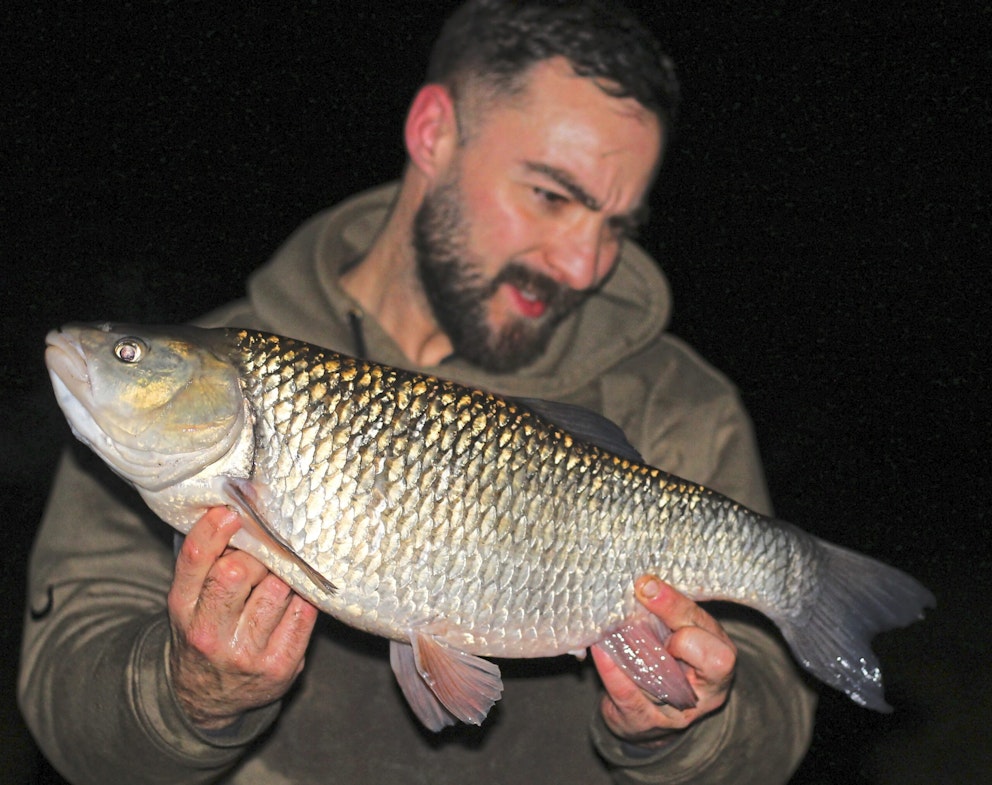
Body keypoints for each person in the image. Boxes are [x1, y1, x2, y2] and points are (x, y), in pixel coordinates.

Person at [20, 1, 816, 783]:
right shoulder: (213, 369)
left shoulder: (679, 405)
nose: (583, 262)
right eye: (550, 193)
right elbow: (65, 699)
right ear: (434, 133)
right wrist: (189, 695)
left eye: (617, 224)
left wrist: (679, 735)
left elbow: (771, 727)